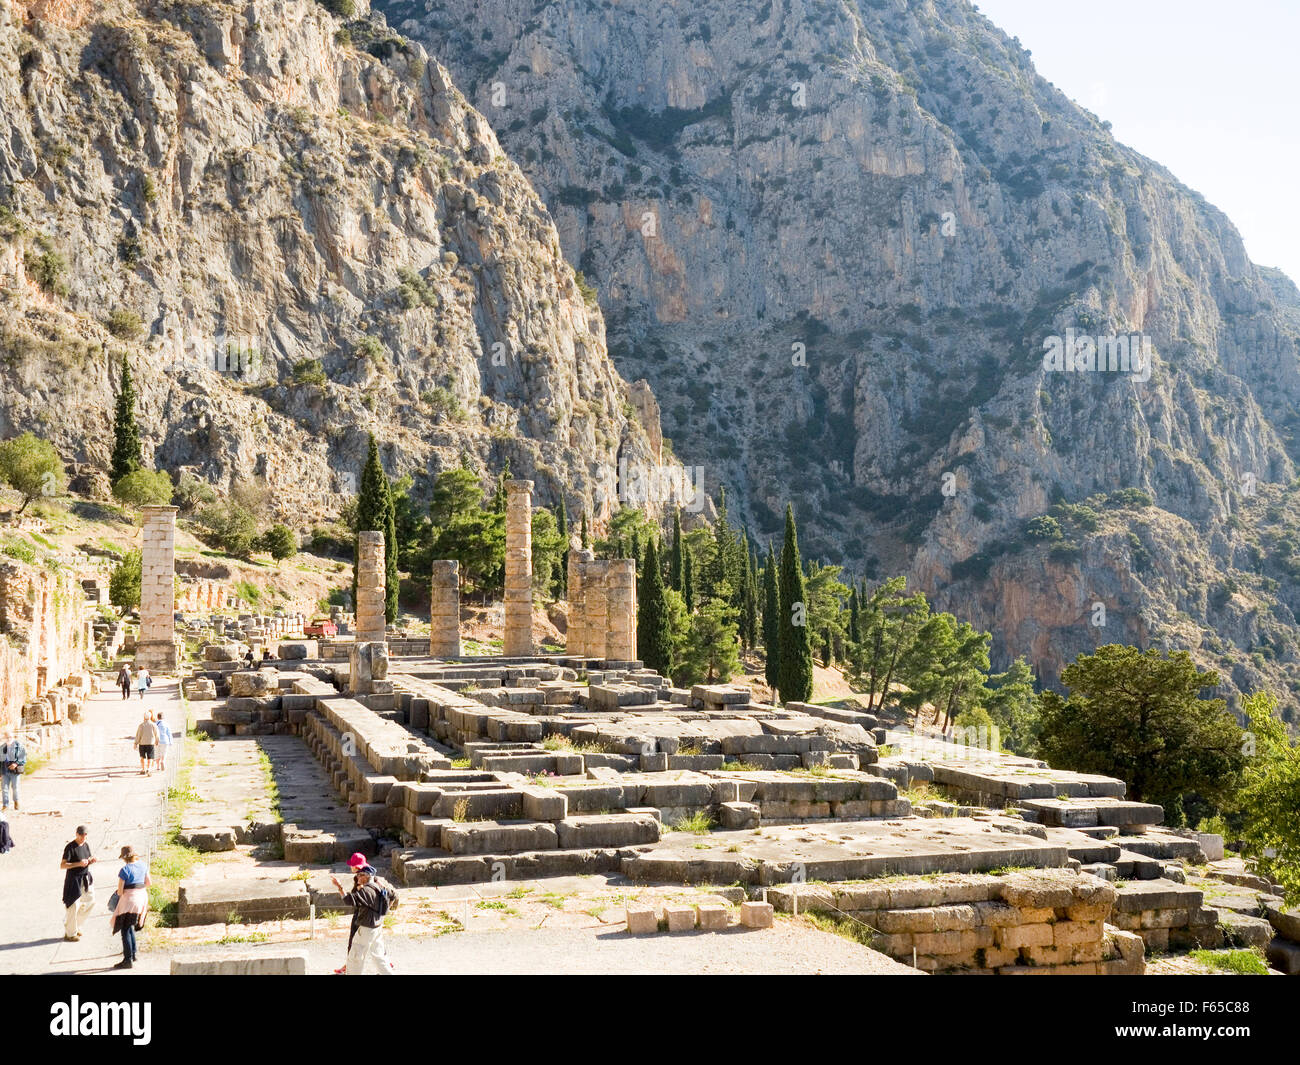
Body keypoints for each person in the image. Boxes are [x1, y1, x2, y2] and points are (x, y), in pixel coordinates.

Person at [329, 854, 396, 975]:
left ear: (365, 876)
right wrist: (382, 914)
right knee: (379, 956)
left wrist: (339, 886)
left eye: (359, 874)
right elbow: (393, 895)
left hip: (366, 926)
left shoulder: (366, 890)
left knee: (355, 957)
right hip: (377, 926)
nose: (357, 877)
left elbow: (349, 900)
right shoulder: (378, 885)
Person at [111, 845, 150, 969]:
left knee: (125, 929)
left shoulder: (124, 870)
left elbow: (120, 891)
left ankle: (127, 960)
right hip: (141, 899)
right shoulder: (143, 865)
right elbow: (149, 883)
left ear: (124, 858)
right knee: (131, 927)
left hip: (129, 902)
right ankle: (133, 954)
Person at [60, 826, 96, 941]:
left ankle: (76, 926)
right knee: (73, 906)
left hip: (85, 878)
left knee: (91, 901)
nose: (83, 837)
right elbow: (63, 865)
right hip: (73, 879)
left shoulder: (86, 845)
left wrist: (91, 860)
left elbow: (87, 858)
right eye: (81, 835)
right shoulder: (70, 847)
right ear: (76, 834)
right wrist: (78, 864)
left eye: (85, 835)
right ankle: (70, 933)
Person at [1, 728, 25, 812]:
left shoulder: (19, 746)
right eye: (7, 737)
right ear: (4, 738)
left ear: (13, 737)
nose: (9, 738)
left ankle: (16, 802)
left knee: (15, 788)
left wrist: (16, 764)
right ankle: (5, 805)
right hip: (5, 771)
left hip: (15, 771)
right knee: (4, 789)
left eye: (10, 737)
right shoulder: (2, 747)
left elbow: (23, 758)